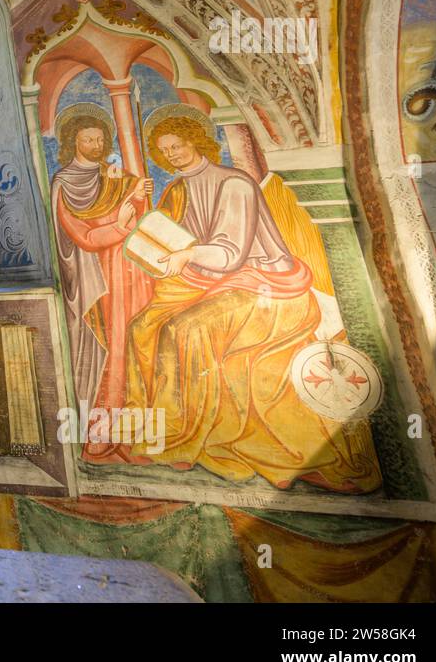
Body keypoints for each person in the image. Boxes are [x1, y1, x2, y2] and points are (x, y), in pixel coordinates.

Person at [121, 105, 382, 492]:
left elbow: (230, 253)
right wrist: (133, 227)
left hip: (263, 282)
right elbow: (166, 238)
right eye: (166, 150)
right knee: (141, 326)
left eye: (177, 144)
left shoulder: (234, 183)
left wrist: (189, 255)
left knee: (186, 328)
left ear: (196, 138)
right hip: (209, 281)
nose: (173, 154)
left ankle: (189, 433)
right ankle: (160, 423)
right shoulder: (177, 189)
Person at [50, 104, 152, 458]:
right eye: (87, 138)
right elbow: (84, 236)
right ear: (72, 141)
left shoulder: (116, 176)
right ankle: (103, 428)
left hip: (130, 272)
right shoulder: (65, 182)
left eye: (99, 138)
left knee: (141, 341)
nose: (95, 143)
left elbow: (134, 216)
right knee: (114, 346)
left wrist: (135, 195)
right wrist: (121, 222)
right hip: (98, 280)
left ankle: (140, 428)